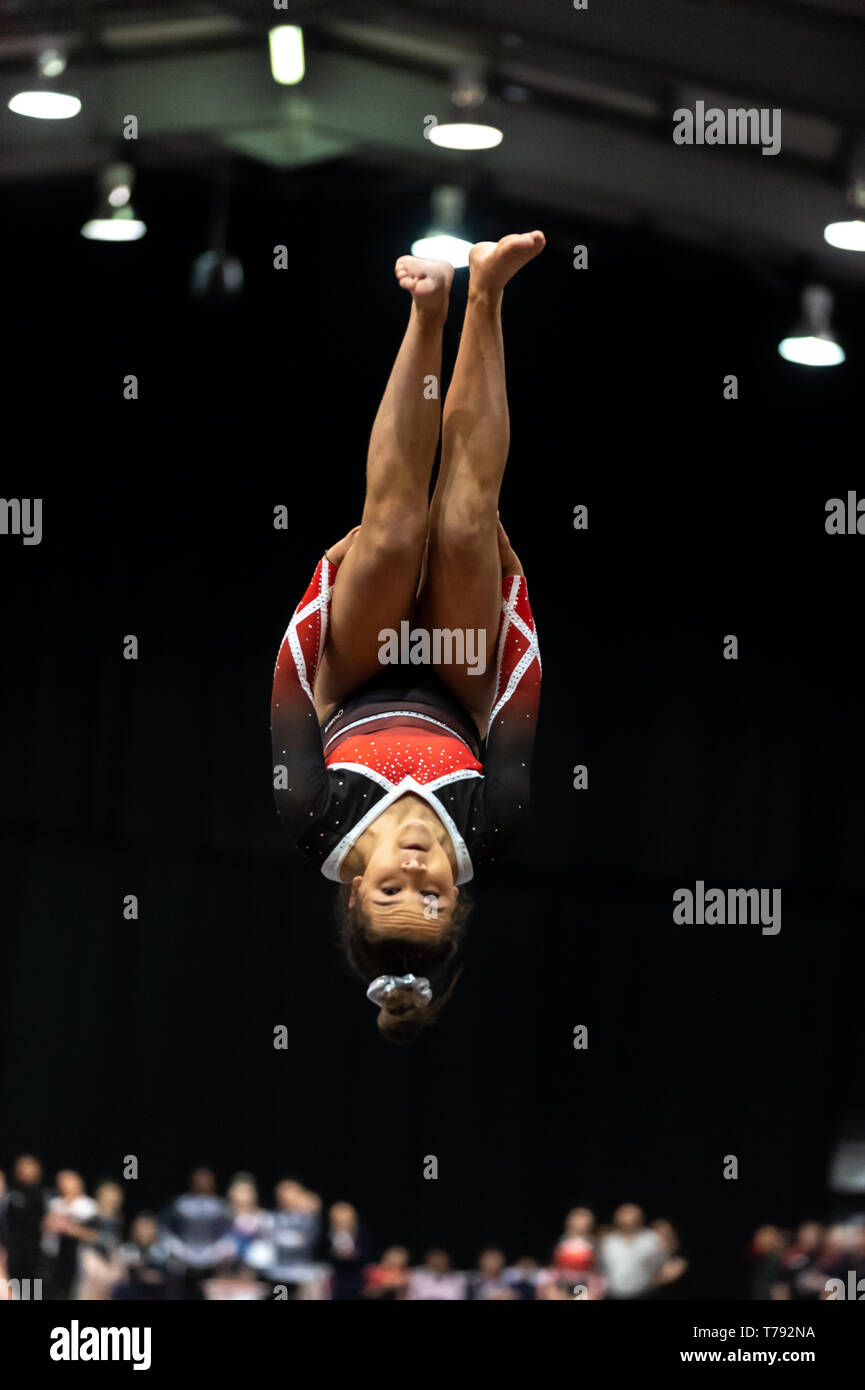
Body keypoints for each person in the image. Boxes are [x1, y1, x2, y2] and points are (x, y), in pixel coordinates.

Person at [271, 234, 544, 1043]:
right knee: (464, 525)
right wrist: (512, 594)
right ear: (458, 905)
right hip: (459, 680)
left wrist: (323, 582)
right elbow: (518, 694)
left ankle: (427, 308)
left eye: (393, 894)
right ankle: (487, 294)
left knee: (392, 530)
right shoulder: (490, 826)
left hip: (354, 673)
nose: (418, 874)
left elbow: (290, 681)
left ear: (352, 893)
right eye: (434, 900)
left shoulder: (313, 815)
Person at [598, 1204, 665, 1300]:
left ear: (640, 1217)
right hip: (612, 1294)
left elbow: (661, 1265)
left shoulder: (652, 1239)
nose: (628, 1218)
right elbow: (602, 1267)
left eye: (631, 1213)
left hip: (644, 1294)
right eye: (624, 1213)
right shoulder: (608, 1241)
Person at [4, 1154, 47, 1290]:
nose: (27, 1171)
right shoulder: (10, 1193)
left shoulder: (43, 1196)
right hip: (12, 1256)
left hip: (35, 1256)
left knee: (33, 1292)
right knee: (15, 1292)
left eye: (30, 1166)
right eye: (23, 1167)